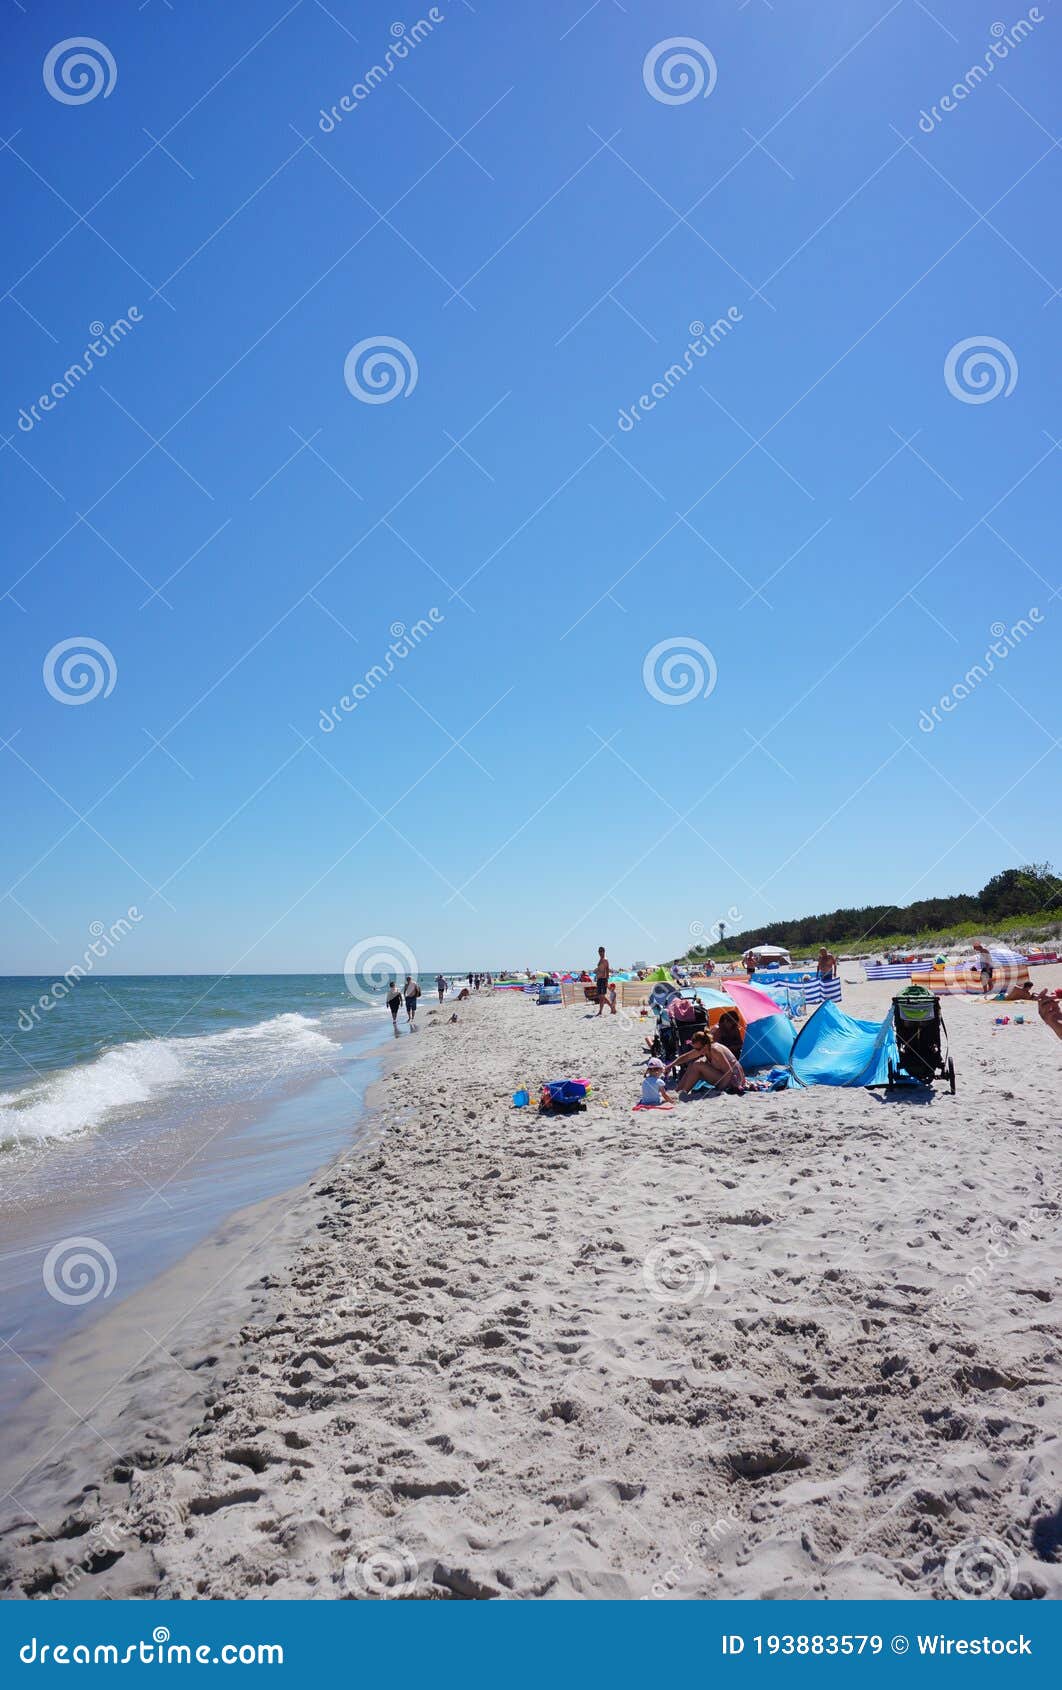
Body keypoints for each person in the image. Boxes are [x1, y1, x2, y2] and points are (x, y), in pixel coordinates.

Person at [594, 946, 610, 1018]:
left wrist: (606, 980)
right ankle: (612, 1008)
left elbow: (607, 970)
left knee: (602, 996)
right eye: (599, 951)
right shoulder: (600, 959)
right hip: (599, 979)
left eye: (601, 951)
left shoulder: (605, 960)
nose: (600, 953)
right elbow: (601, 969)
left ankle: (600, 1011)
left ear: (604, 951)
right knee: (600, 996)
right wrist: (596, 970)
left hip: (603, 979)